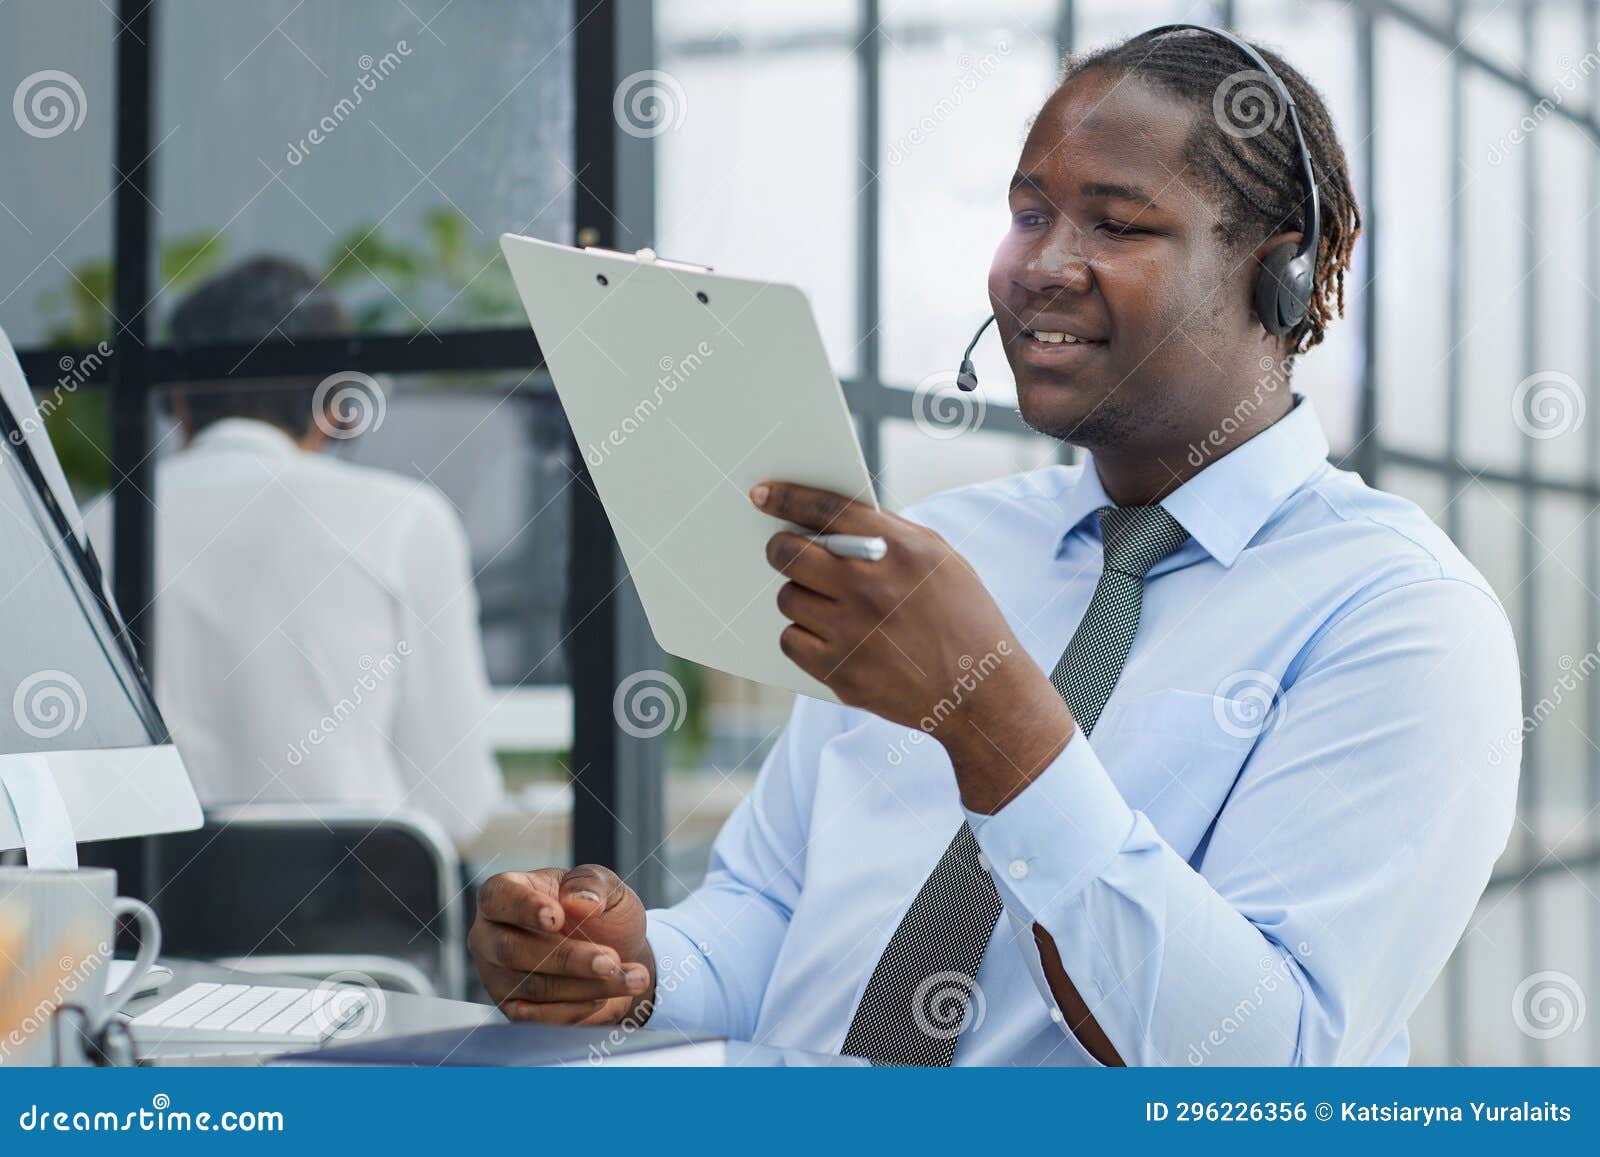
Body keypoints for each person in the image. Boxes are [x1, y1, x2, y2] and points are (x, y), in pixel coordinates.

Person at [468, 27, 1521, 1065]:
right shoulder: (941, 550)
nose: (1041, 266)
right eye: (1027, 214)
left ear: (1278, 274)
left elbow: (1264, 1069)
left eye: (1116, 224)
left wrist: (998, 728)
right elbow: (776, 910)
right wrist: (641, 968)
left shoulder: (1401, 616)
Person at [85, 256, 503, 844]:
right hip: (358, 896)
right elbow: (458, 803)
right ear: (336, 407)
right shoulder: (406, 520)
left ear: (176, 398)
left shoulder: (95, 526)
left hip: (139, 898)